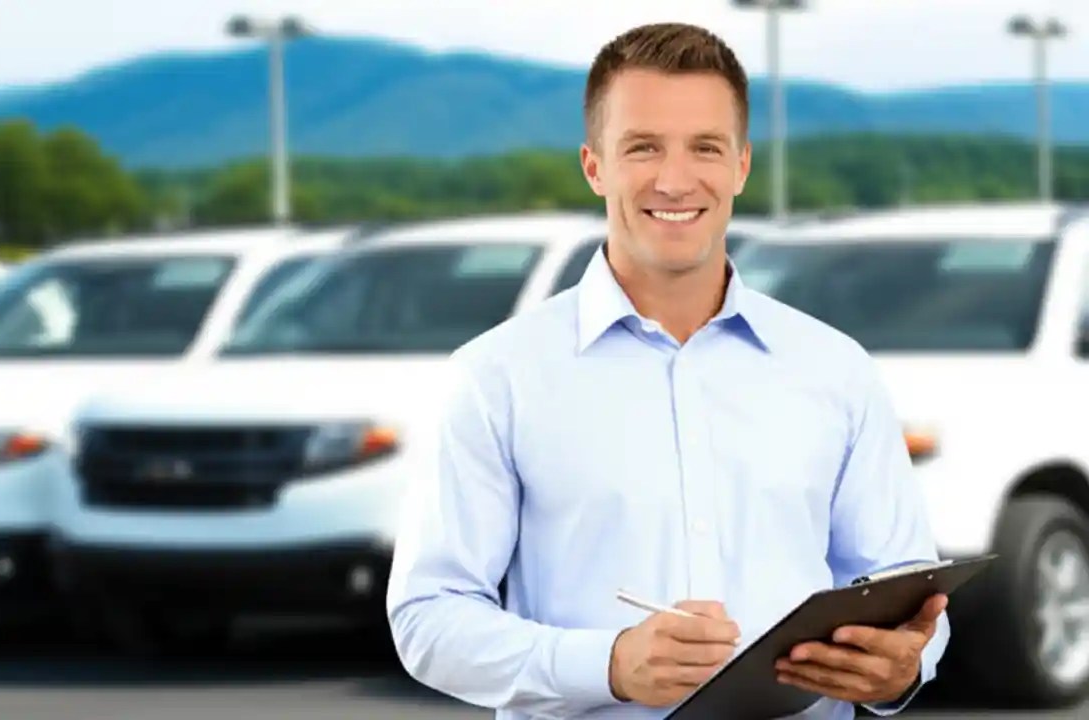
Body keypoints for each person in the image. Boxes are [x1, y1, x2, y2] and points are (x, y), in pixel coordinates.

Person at [385, 21, 950, 720]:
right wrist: (610, 665)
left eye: (705, 148)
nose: (675, 180)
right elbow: (428, 618)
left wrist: (904, 666)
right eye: (643, 147)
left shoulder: (835, 369)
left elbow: (904, 584)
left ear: (741, 165)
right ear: (595, 166)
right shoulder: (496, 376)